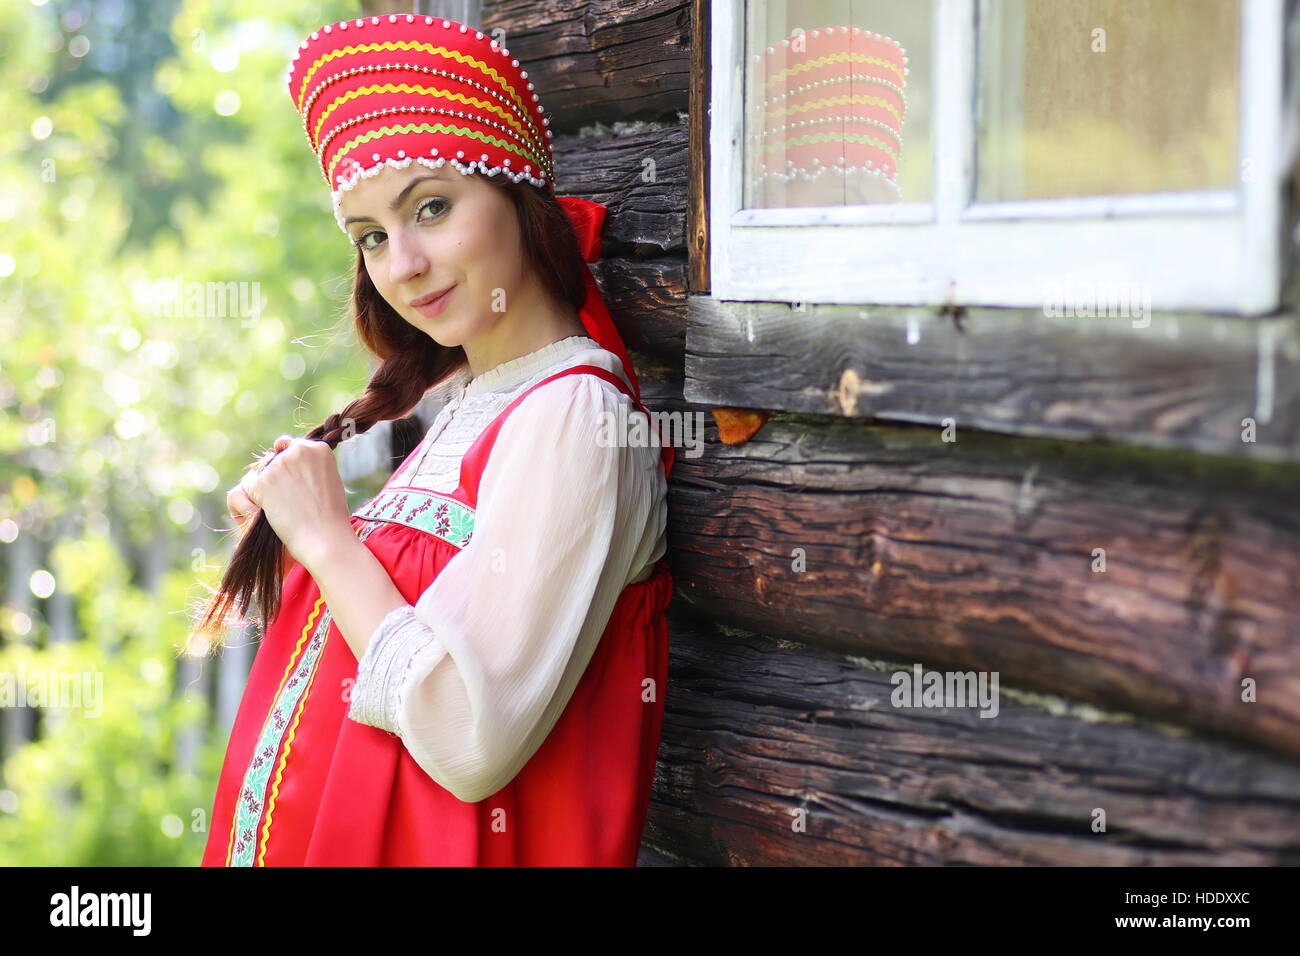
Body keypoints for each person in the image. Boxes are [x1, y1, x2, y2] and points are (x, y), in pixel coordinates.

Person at [195, 13, 675, 866]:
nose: (403, 262)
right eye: (372, 235)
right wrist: (300, 545)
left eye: (433, 206)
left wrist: (332, 543)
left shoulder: (574, 415)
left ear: (521, 203)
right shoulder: (472, 402)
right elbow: (387, 647)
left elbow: (466, 736)